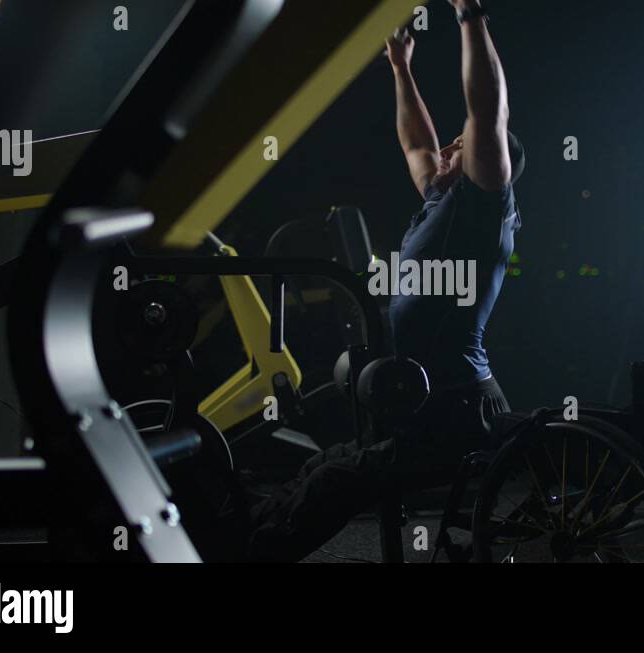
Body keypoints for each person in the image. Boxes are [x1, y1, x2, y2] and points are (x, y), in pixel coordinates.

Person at [240, 0, 524, 562]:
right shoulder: (441, 199)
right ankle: (228, 535)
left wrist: (470, 17)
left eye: (459, 145)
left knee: (334, 482)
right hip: (420, 401)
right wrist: (400, 66)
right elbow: (416, 143)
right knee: (319, 464)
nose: (445, 148)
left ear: (486, 165)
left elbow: (486, 110)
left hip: (456, 408)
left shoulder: (482, 208)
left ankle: (247, 555)